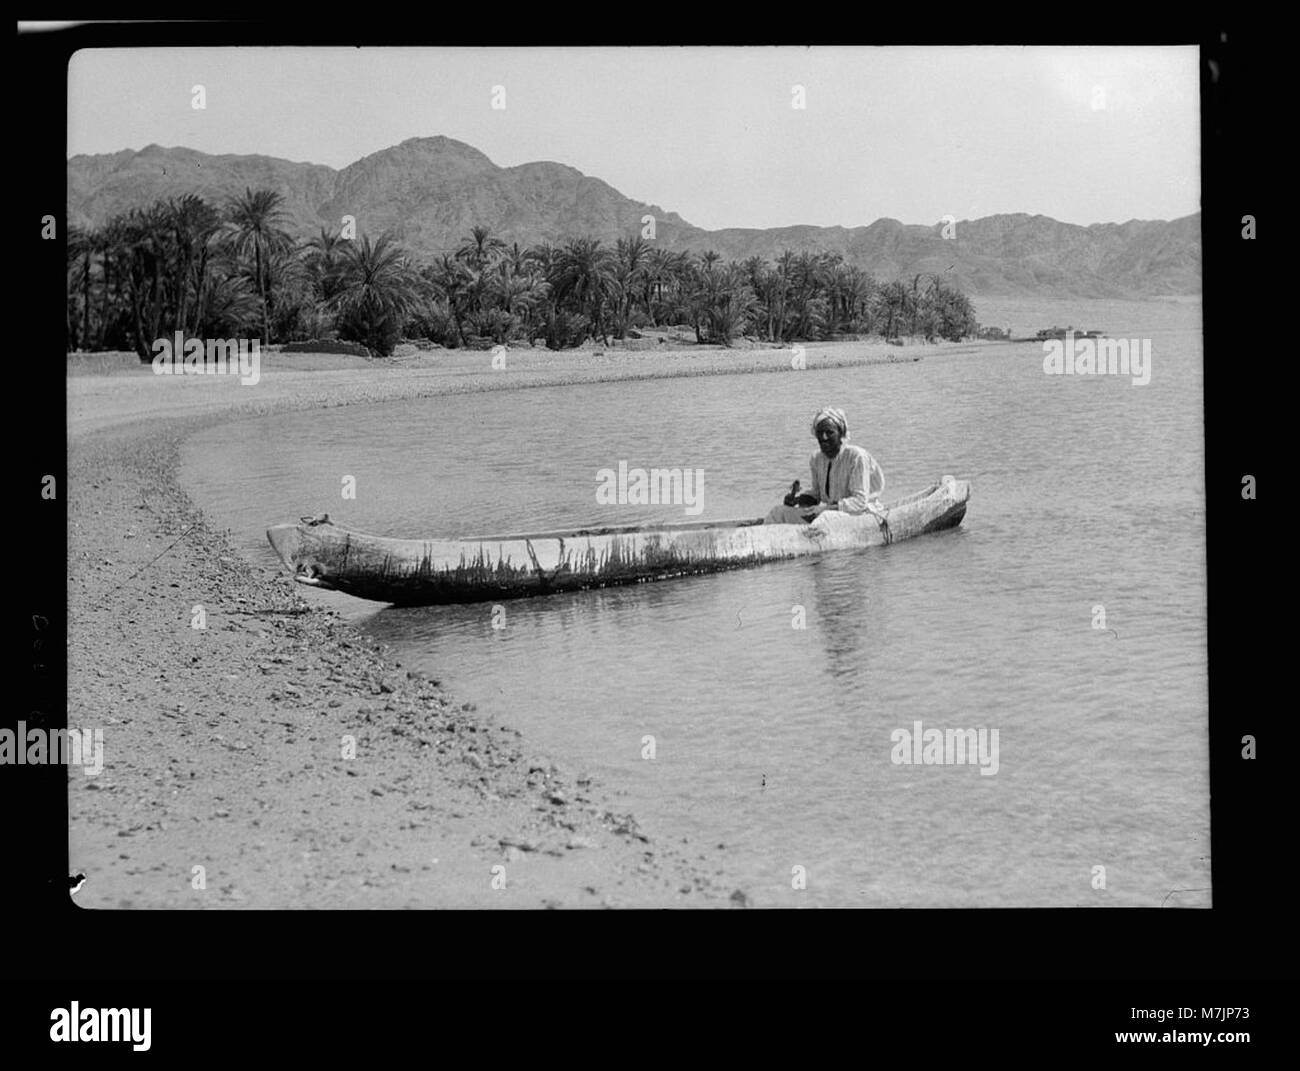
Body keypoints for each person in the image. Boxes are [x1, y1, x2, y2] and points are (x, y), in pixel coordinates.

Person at [764, 407, 885, 525]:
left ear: (840, 433)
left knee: (824, 518)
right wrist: (796, 500)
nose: (824, 437)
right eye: (820, 433)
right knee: (778, 512)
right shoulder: (816, 459)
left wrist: (824, 510)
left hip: (860, 514)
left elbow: (860, 502)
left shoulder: (856, 457)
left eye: (829, 432)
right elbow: (817, 495)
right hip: (829, 514)